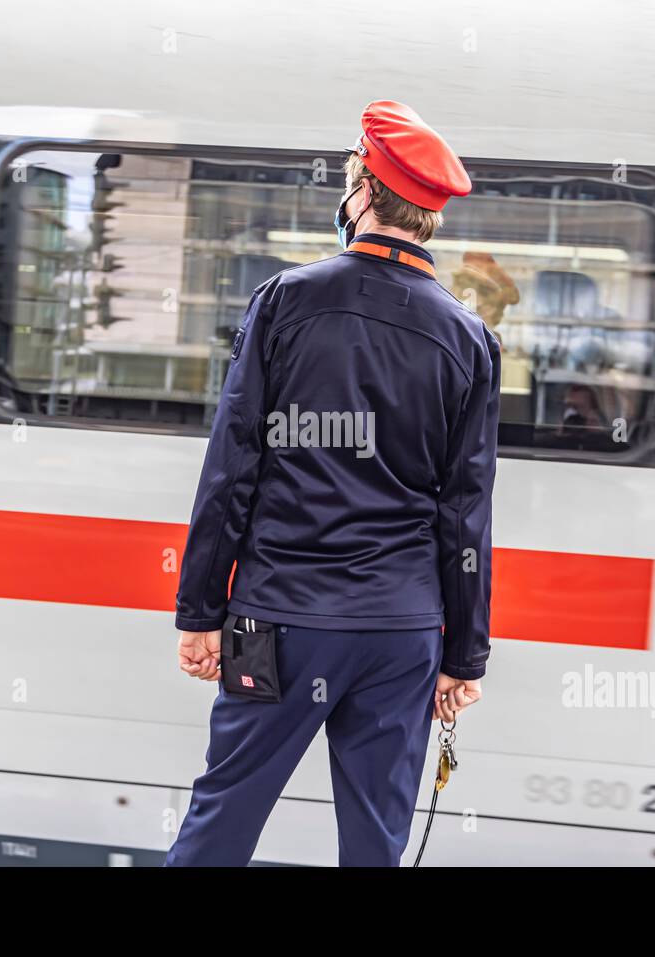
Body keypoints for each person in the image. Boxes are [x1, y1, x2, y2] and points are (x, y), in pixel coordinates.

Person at [164, 100, 500, 867]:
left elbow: (232, 468)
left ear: (360, 192)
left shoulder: (288, 300)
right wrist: (463, 656)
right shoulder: (469, 339)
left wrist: (199, 610)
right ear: (430, 215)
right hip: (402, 632)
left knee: (222, 817)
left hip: (275, 620)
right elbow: (467, 512)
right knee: (377, 842)